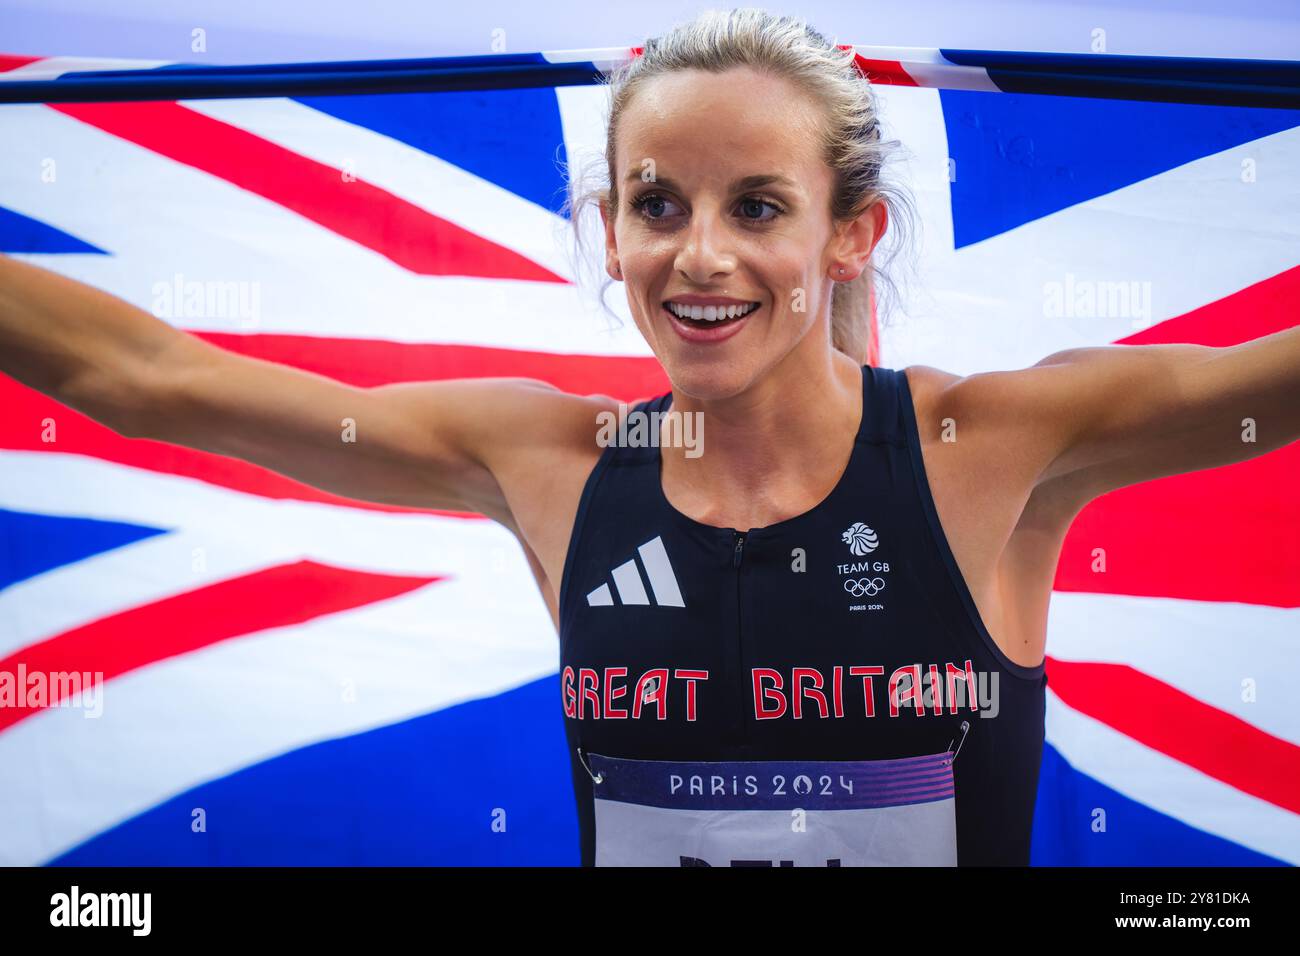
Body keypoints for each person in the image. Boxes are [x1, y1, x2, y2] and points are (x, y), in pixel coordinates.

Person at [1, 8, 1296, 866]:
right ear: (611, 231)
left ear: (852, 232)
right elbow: (150, 376)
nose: (701, 255)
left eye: (759, 204)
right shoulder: (547, 465)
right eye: (658, 203)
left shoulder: (996, 446)